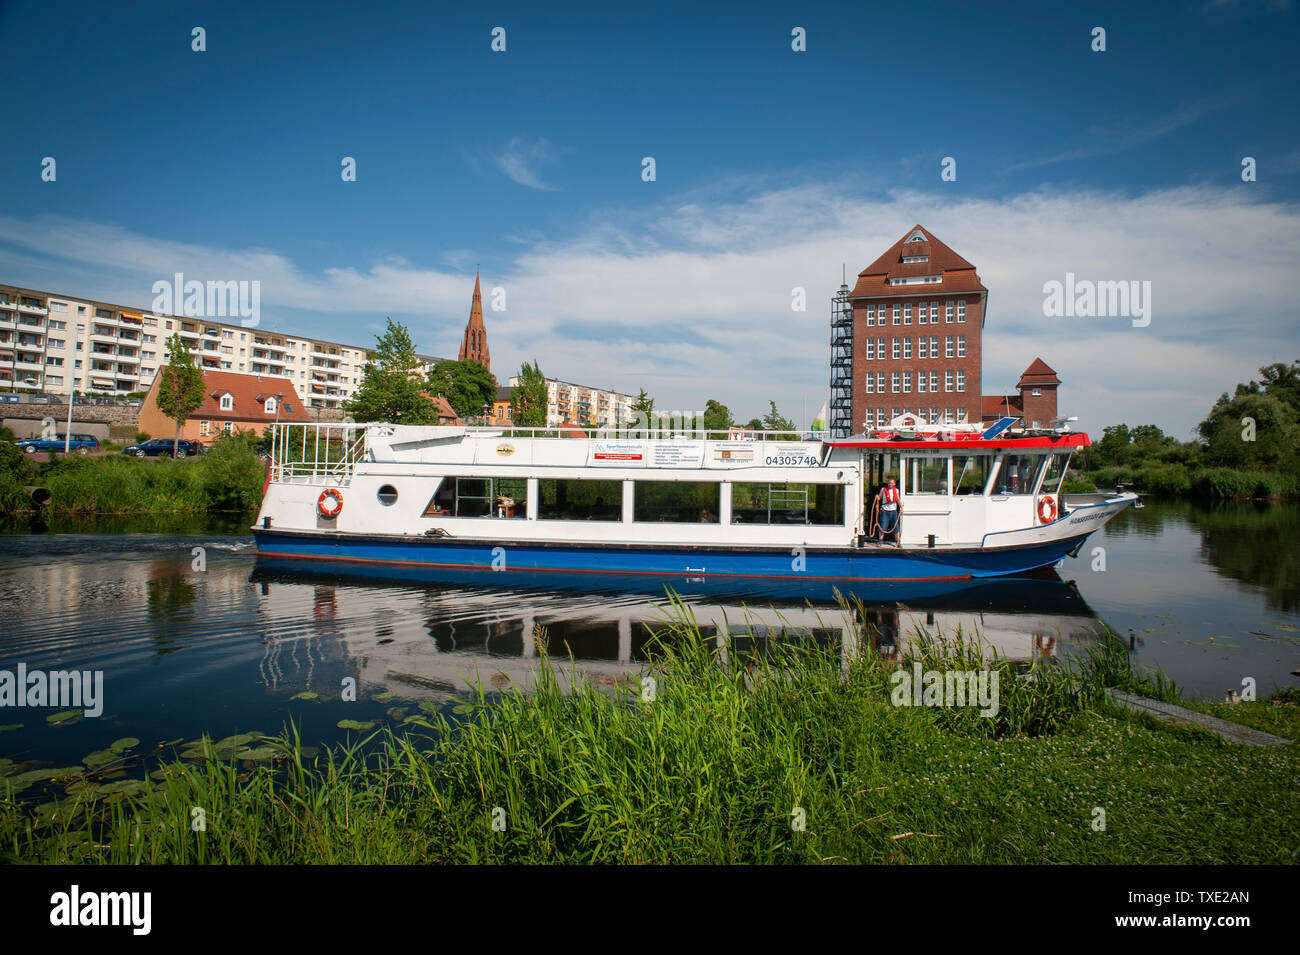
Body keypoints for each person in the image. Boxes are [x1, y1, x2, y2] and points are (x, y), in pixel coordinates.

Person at [876, 478, 902, 545]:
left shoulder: (896, 490)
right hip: (885, 510)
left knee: (896, 527)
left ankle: (898, 541)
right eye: (889, 483)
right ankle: (880, 540)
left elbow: (898, 499)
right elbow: (879, 497)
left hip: (893, 511)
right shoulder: (883, 489)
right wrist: (877, 498)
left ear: (894, 484)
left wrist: (901, 507)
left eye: (891, 483)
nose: (890, 484)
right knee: (882, 526)